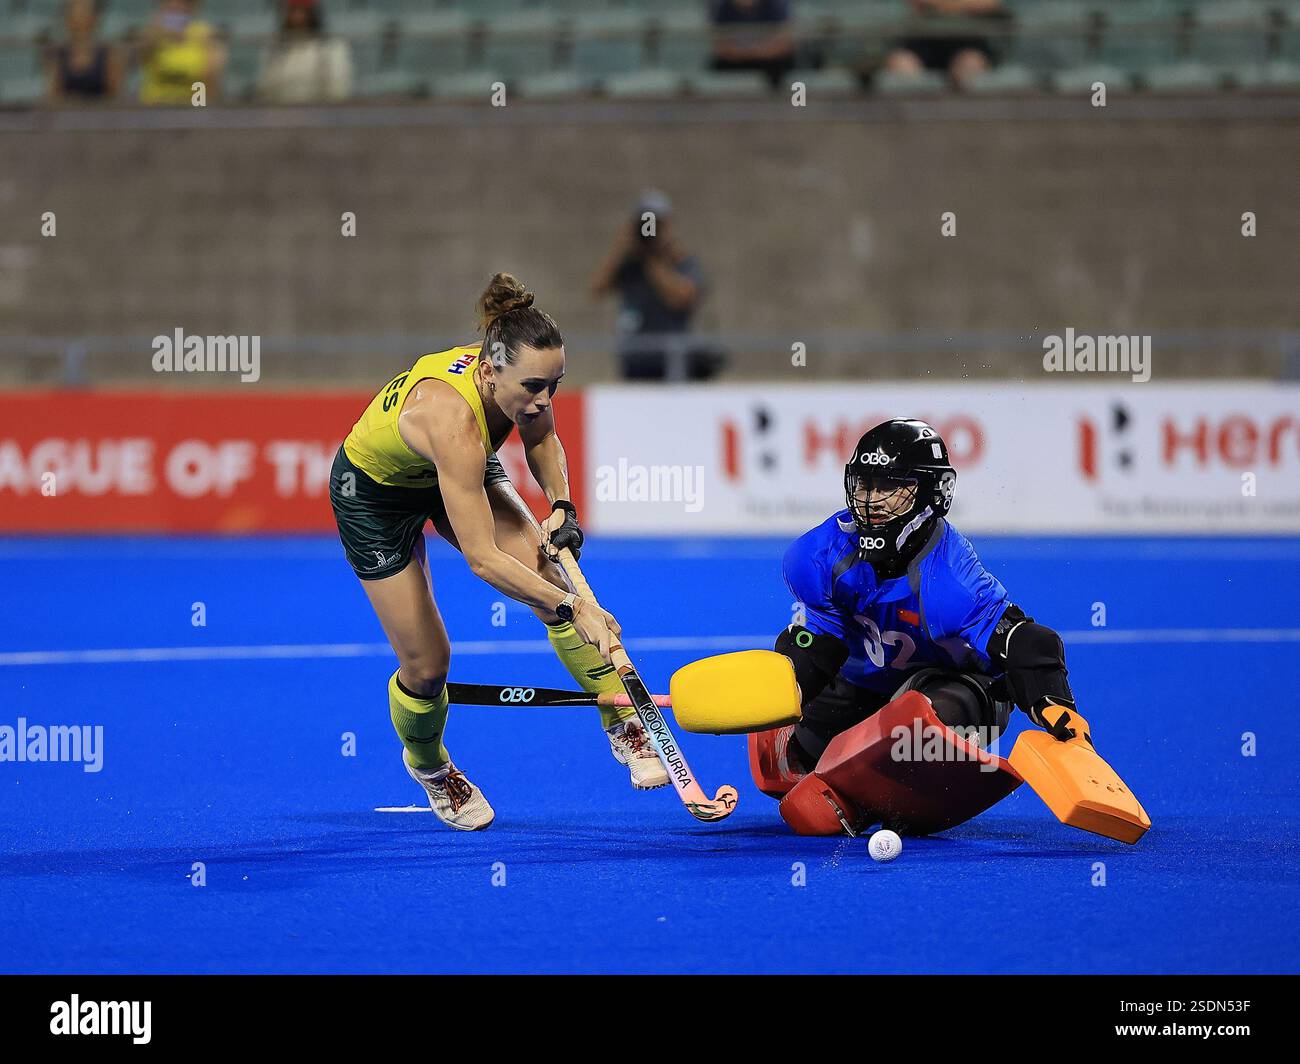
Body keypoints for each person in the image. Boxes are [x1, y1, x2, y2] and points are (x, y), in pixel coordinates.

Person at [329, 274, 668, 832]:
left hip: (454, 472)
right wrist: (576, 607)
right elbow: (483, 558)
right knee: (428, 665)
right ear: (489, 374)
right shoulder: (453, 421)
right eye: (534, 387)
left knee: (546, 573)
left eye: (554, 386)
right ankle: (430, 765)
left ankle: (621, 718)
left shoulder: (520, 377)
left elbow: (542, 438)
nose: (543, 401)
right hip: (375, 497)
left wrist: (562, 505)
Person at [756, 418, 1084, 805]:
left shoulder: (951, 582)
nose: (872, 501)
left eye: (890, 487)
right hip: (865, 684)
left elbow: (1023, 641)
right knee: (804, 741)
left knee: (923, 720)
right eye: (865, 484)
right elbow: (823, 641)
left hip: (955, 690)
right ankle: (860, 768)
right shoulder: (814, 556)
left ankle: (884, 777)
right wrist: (788, 685)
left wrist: (1053, 703)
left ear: (933, 492)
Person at [589, 192, 717, 382]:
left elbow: (682, 298)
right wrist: (620, 250)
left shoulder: (683, 262)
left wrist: (652, 260)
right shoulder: (629, 264)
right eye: (644, 224)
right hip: (635, 358)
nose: (650, 230)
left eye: (656, 224)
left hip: (672, 361)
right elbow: (596, 289)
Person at [884, 0, 1008, 90]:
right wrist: (962, 6)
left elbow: (988, 3)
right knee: (901, 63)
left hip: (968, 38)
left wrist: (938, 6)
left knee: (970, 66)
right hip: (922, 37)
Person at [257, 0, 353, 105]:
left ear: (313, 14)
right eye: (292, 11)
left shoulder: (331, 47)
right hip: (282, 110)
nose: (297, 17)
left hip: (319, 110)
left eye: (302, 11)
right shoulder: (274, 48)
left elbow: (338, 92)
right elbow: (265, 89)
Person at [138, 0, 226, 106]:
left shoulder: (205, 35)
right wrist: (156, 33)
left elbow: (212, 79)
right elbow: (141, 55)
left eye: (180, 6)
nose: (176, 10)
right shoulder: (153, 34)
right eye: (170, 8)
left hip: (192, 106)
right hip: (154, 106)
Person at [45, 0, 121, 103]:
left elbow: (114, 95)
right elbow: (53, 95)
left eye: (83, 14)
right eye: (75, 15)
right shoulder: (57, 54)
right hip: (67, 110)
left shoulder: (109, 53)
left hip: (101, 111)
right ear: (68, 18)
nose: (79, 20)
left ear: (94, 18)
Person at [710, 0, 796, 89]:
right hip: (735, 61)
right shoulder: (723, 7)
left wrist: (757, 52)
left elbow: (785, 42)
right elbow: (719, 45)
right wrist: (744, 53)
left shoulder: (775, 6)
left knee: (781, 64)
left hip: (767, 60)